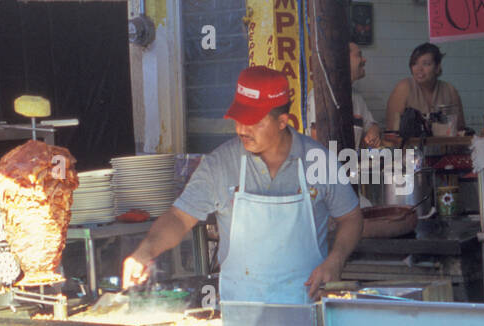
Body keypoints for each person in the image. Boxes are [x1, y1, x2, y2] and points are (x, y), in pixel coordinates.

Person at [122, 66, 363, 303]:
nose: (241, 129)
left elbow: (351, 217)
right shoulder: (220, 163)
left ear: (282, 121)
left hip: (306, 307)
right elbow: (179, 217)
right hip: (239, 312)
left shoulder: (318, 160)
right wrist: (146, 251)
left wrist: (336, 260)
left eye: (253, 121)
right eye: (238, 119)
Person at [384, 42, 466, 136]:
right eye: (415, 63)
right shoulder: (403, 88)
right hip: (410, 149)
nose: (419, 68)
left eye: (426, 64)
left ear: (437, 67)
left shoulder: (450, 90)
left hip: (445, 149)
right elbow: (391, 132)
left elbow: (460, 130)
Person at [349, 42, 383, 148]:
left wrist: (374, 132)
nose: (364, 60)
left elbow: (372, 125)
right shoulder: (318, 98)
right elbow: (318, 144)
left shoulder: (357, 97)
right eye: (359, 55)